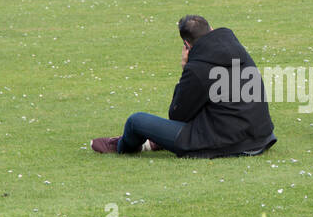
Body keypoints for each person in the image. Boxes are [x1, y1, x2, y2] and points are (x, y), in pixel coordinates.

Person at [90, 15, 276, 157]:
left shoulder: (197, 68)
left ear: (187, 44)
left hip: (226, 143)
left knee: (135, 121)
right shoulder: (236, 48)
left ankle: (122, 146)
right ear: (211, 29)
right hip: (262, 136)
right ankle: (157, 140)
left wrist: (186, 68)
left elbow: (178, 114)